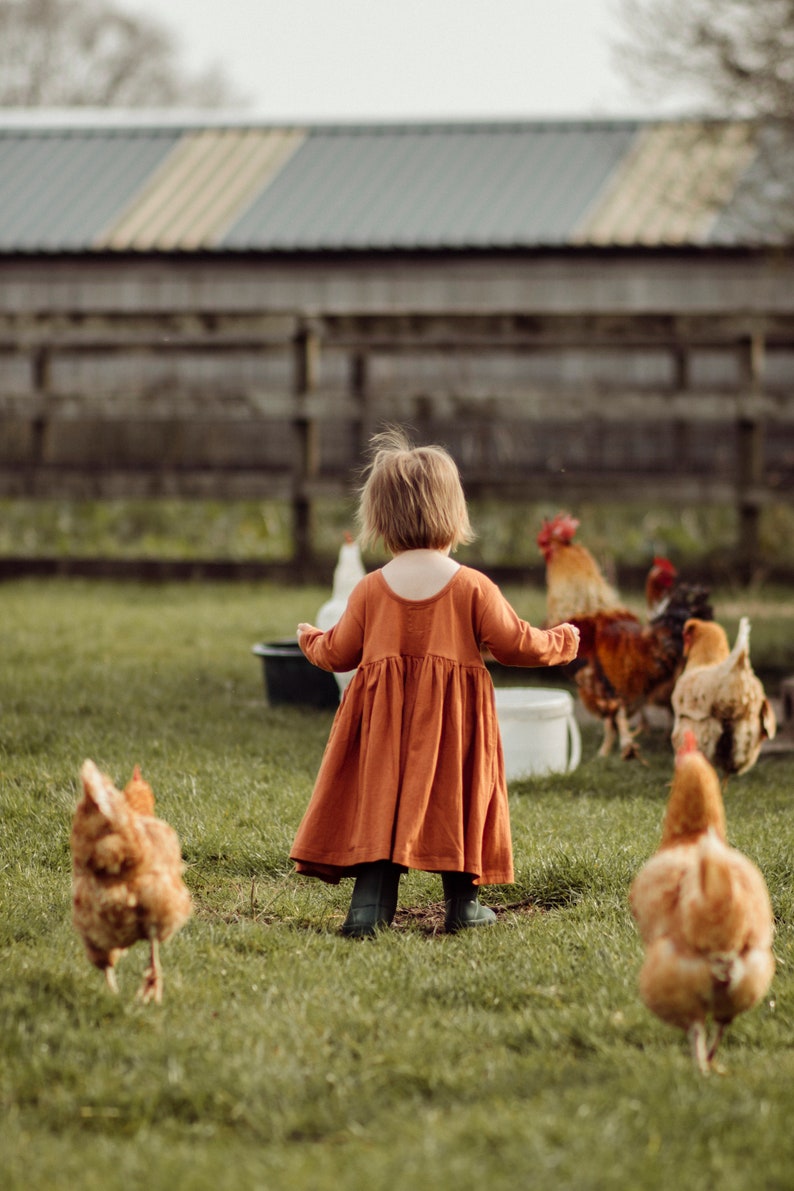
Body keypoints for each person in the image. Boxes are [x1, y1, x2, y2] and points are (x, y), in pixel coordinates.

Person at [290, 428, 580, 937]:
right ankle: (462, 906)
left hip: (383, 731)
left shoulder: (369, 590)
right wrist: (561, 641)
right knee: (456, 800)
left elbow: (338, 653)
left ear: (379, 519)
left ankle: (368, 908)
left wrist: (310, 638)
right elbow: (516, 644)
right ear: (453, 512)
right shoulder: (472, 586)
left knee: (380, 798)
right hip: (454, 730)